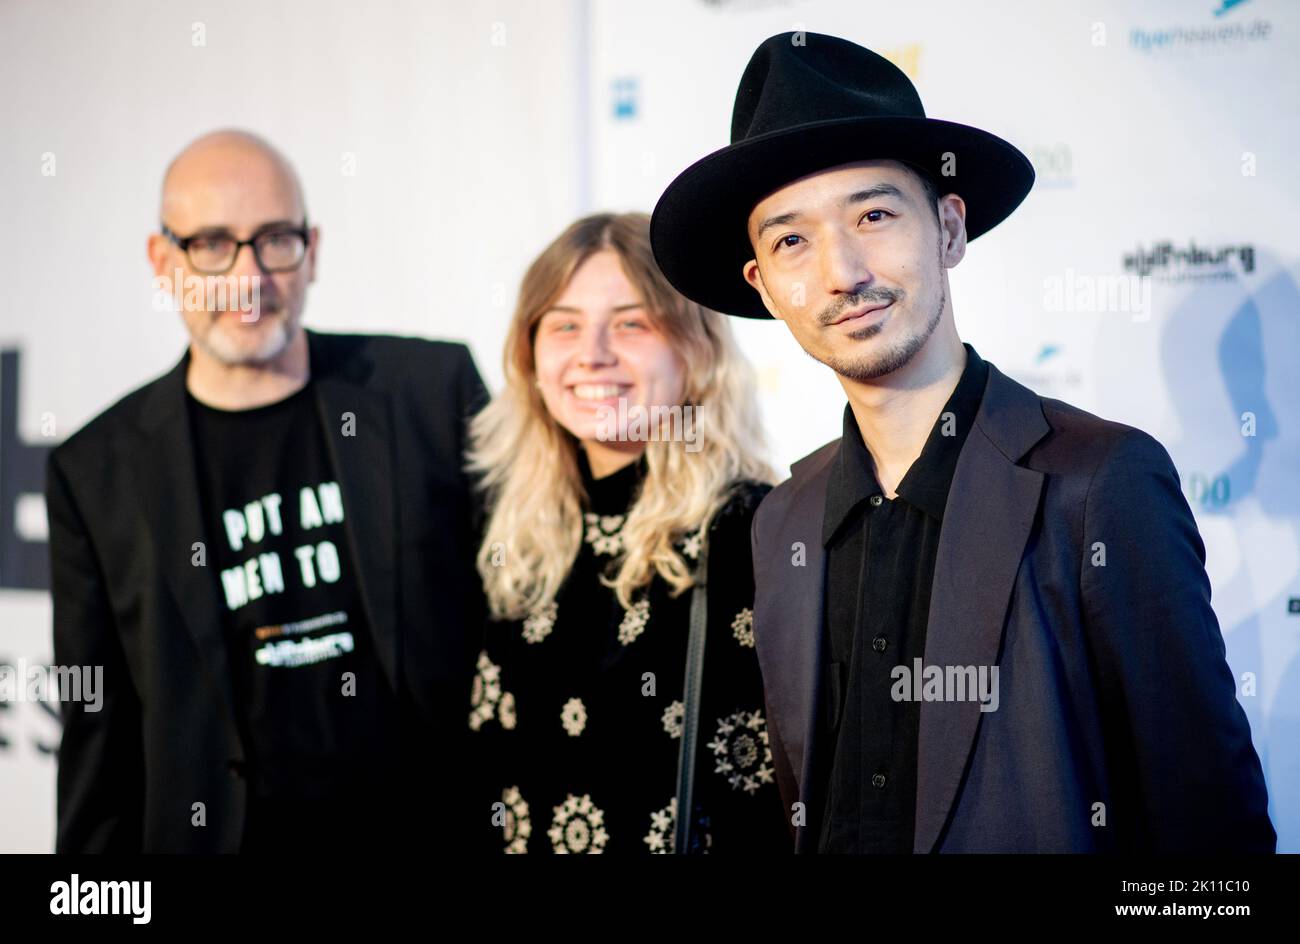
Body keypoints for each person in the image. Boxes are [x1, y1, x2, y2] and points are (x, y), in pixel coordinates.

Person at [649, 32, 1275, 853]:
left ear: (948, 230)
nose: (840, 271)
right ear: (763, 285)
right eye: (791, 240)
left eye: (873, 215)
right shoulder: (785, 518)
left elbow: (1210, 831)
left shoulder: (1097, 483)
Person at [47, 129, 487, 853]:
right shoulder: (97, 471)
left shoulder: (429, 393)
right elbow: (99, 733)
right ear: (164, 261)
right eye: (212, 244)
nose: (248, 277)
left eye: (274, 240)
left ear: (312, 250)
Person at [466, 212, 790, 853]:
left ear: (695, 350)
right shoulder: (521, 537)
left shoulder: (755, 533)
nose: (592, 353)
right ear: (530, 358)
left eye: (631, 322)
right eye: (563, 324)